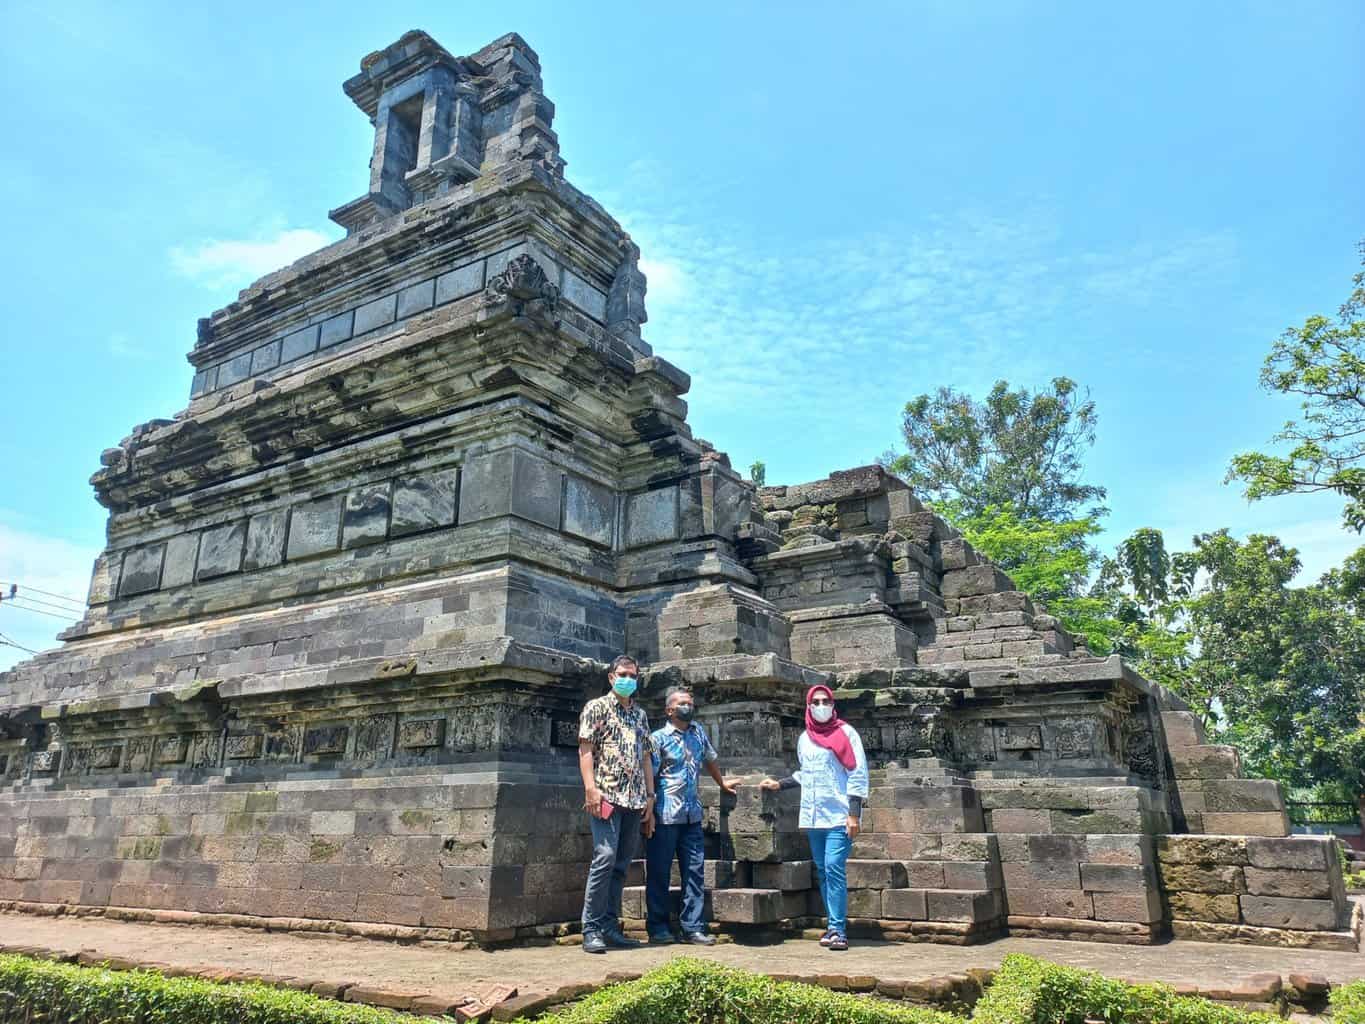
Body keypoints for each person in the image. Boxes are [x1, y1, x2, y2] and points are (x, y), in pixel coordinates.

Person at [760, 684, 868, 951]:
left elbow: (857, 773)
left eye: (825, 701)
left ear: (833, 704)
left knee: (833, 867)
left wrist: (854, 814)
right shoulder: (805, 738)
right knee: (822, 871)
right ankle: (832, 925)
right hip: (813, 815)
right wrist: (780, 784)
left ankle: (839, 929)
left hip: (839, 814)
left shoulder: (846, 733)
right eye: (816, 702)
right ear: (808, 707)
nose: (821, 706)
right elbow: (806, 773)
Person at [644, 686, 738, 945]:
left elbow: (709, 759)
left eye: (690, 703)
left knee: (695, 872)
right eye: (683, 703)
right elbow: (648, 775)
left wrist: (722, 783)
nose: (689, 707)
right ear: (670, 710)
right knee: (659, 873)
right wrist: (648, 811)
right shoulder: (657, 738)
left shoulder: (698, 732)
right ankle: (659, 927)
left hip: (692, 815)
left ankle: (693, 926)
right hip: (664, 815)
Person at [578, 654, 656, 954]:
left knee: (621, 865)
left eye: (633, 675)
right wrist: (590, 789)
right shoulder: (596, 708)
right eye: (623, 674)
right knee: (605, 857)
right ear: (611, 677)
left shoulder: (640, 715)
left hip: (635, 799)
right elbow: (585, 749)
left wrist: (650, 797)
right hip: (606, 795)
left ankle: (610, 926)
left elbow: (646, 756)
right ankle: (591, 927)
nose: (628, 679)